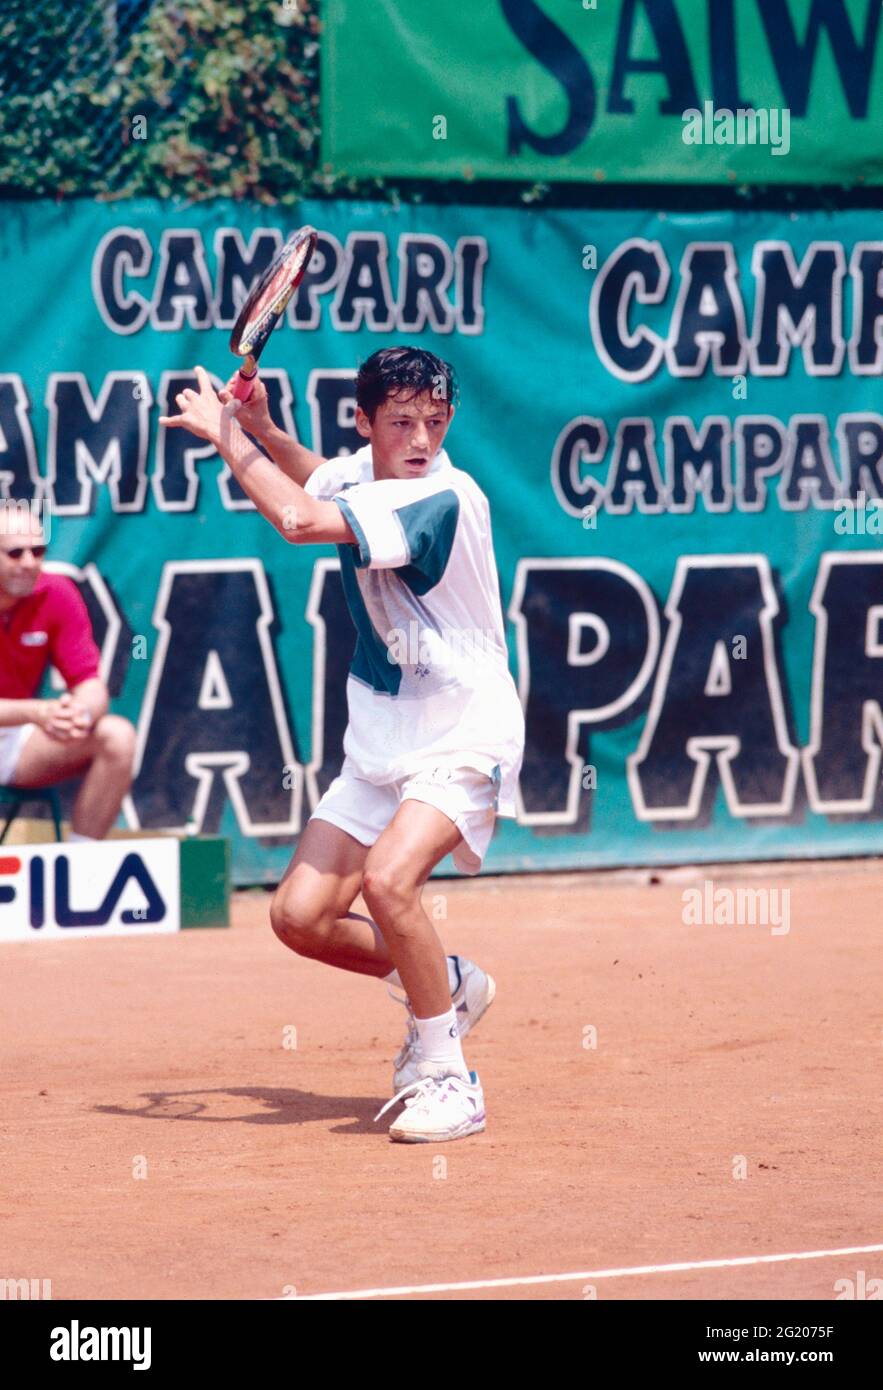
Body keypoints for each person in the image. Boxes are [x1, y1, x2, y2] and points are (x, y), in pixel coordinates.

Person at [160, 348, 525, 1143]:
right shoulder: (367, 469)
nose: (421, 437)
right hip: (382, 734)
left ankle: (447, 1076)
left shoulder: (442, 495)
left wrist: (228, 435)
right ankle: (448, 982)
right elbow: (321, 478)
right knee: (299, 916)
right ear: (364, 423)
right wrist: (262, 430)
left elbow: (297, 518)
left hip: (465, 727)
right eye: (400, 422)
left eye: (434, 421)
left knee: (390, 885)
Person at [0, 502, 136, 840]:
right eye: (15, 553)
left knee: (117, 736)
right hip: (23, 720)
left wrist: (80, 713)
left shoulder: (57, 593)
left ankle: (80, 871)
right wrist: (38, 711)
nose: (29, 563)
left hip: (15, 742)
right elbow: (36, 711)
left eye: (38, 550)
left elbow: (90, 683)